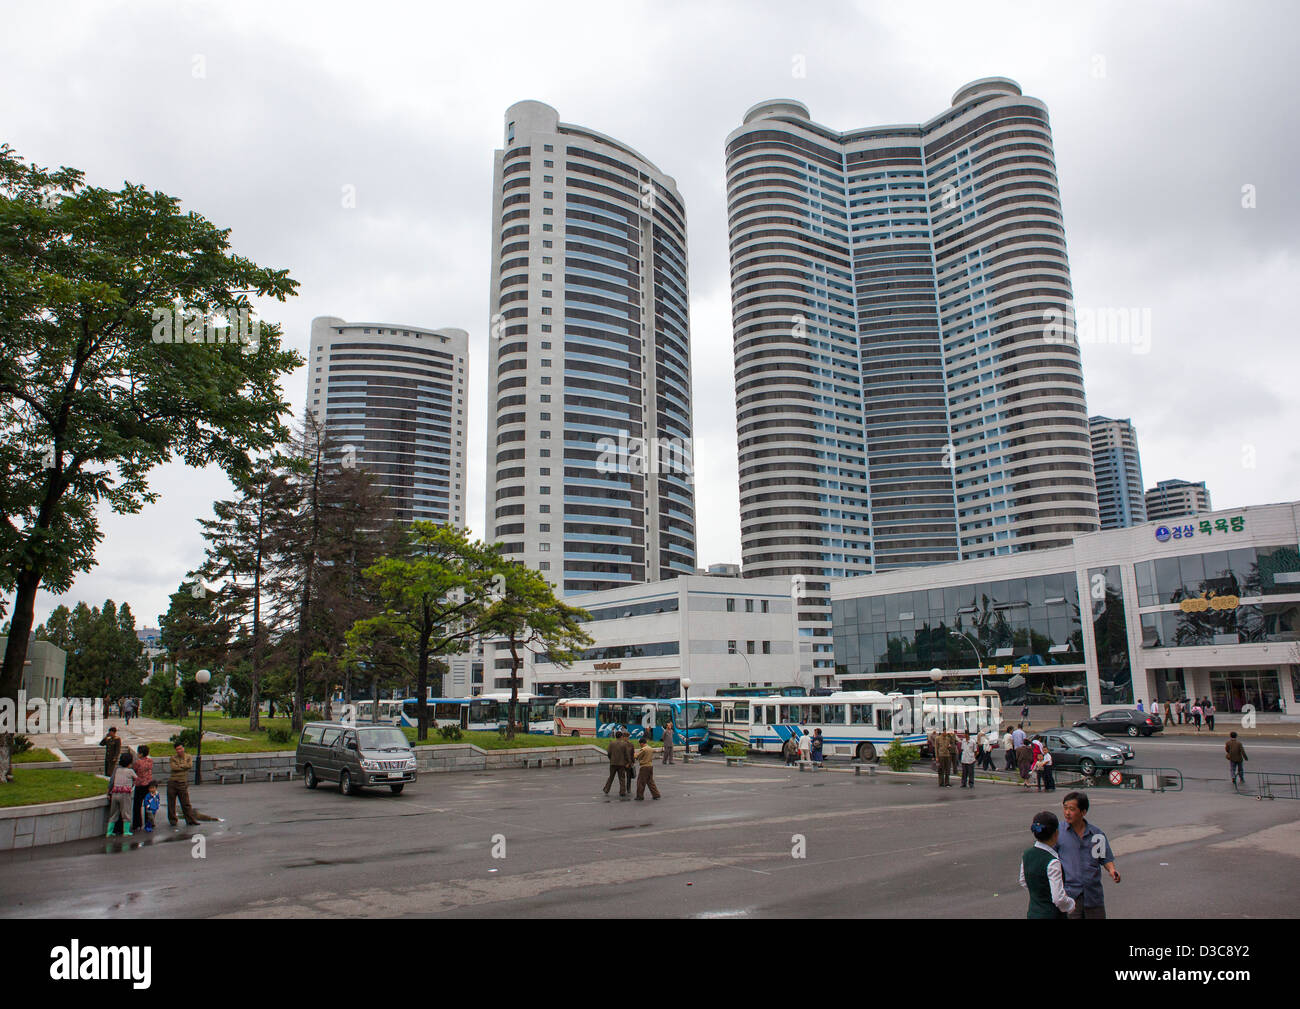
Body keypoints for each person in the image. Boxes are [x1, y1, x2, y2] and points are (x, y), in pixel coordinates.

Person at [1058, 791, 1120, 918]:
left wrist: (1112, 870)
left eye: (1072, 809)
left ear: (1083, 812)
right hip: (1070, 896)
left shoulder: (1096, 835)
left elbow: (1105, 858)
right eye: (1065, 808)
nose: (1067, 813)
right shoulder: (1058, 833)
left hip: (1093, 896)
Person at [1019, 810, 1076, 918]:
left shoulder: (1027, 854)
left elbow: (1023, 881)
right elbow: (1058, 899)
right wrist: (1071, 904)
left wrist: (1039, 892)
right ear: (1056, 833)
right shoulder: (1053, 862)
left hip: (1033, 913)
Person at [167, 743, 216, 826]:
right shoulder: (173, 758)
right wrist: (183, 766)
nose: (179, 751)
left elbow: (189, 765)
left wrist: (180, 766)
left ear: (183, 748)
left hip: (182, 782)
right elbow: (174, 768)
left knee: (186, 803)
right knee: (171, 803)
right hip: (172, 782)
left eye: (180, 748)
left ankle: (190, 820)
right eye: (177, 749)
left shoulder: (188, 757)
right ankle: (173, 821)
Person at [107, 752, 137, 837]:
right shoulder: (130, 771)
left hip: (115, 793)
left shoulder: (117, 770)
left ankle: (109, 832)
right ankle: (126, 831)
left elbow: (111, 782)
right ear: (130, 763)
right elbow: (137, 779)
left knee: (113, 814)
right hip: (125, 794)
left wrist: (108, 792)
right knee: (126, 813)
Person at [130, 744, 154, 833]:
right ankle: (149, 823)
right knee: (148, 805)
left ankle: (137, 824)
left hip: (140, 785)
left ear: (141, 753)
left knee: (137, 805)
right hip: (148, 784)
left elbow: (134, 770)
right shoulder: (150, 761)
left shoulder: (138, 762)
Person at [603, 730, 632, 796]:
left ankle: (606, 789)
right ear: (621, 736)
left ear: (615, 736)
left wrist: (611, 759)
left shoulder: (611, 743)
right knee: (622, 778)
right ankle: (622, 792)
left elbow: (609, 753)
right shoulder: (624, 744)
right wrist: (629, 762)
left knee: (611, 777)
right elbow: (627, 754)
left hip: (613, 763)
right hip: (621, 764)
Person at [634, 735, 661, 800]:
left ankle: (640, 796)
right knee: (650, 781)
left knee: (640, 782)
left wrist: (634, 754)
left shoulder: (644, 749)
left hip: (644, 767)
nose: (640, 745)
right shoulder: (650, 748)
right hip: (650, 766)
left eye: (640, 744)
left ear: (642, 743)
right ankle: (656, 794)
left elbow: (637, 756)